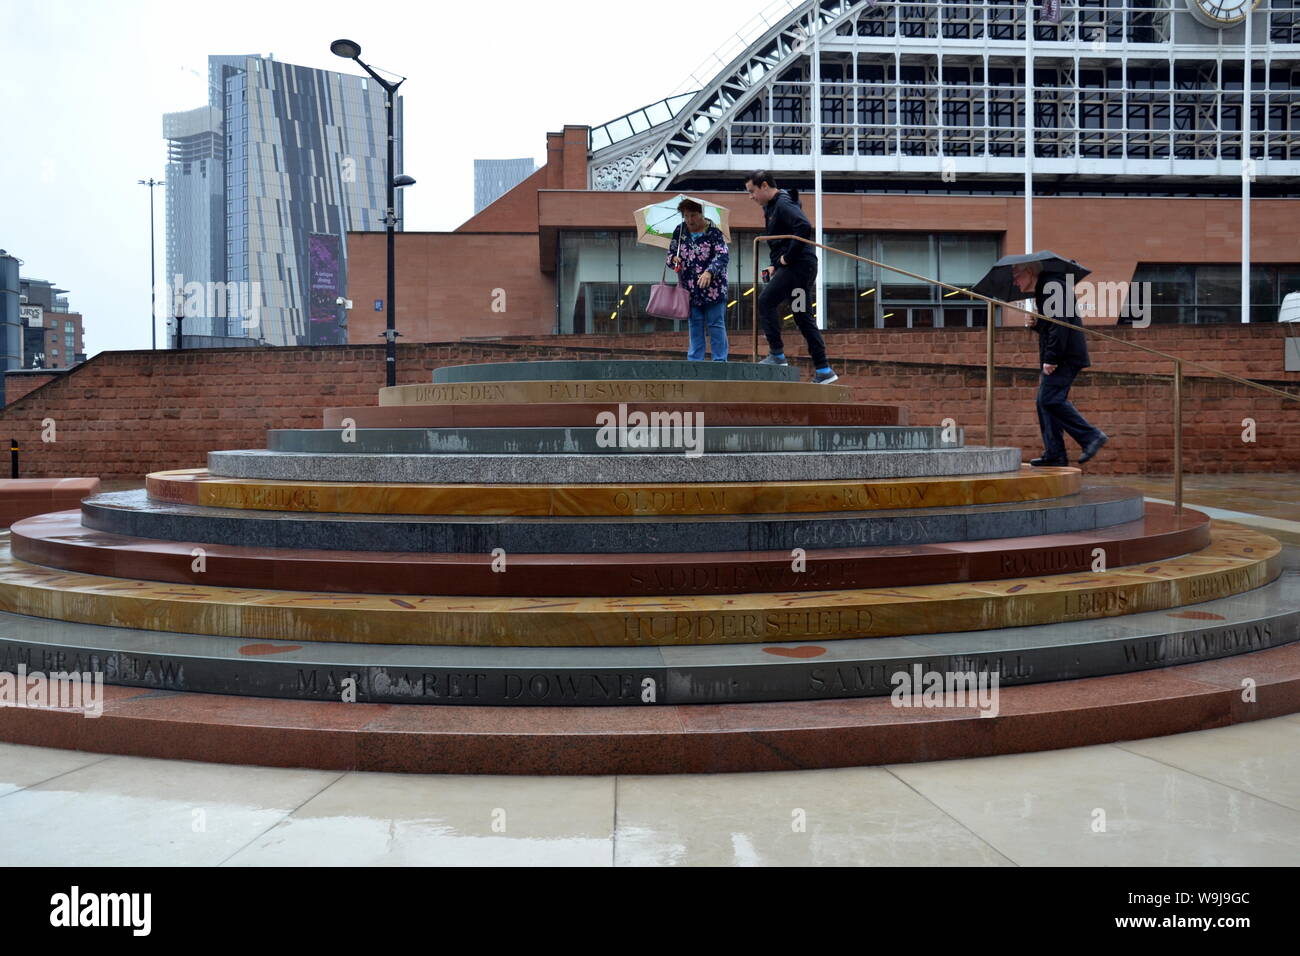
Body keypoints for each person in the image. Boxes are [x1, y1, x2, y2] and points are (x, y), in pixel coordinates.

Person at [744, 170, 838, 384]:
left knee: (766, 301)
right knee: (802, 315)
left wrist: (787, 258)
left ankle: (777, 355)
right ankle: (824, 369)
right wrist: (775, 265)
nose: (751, 197)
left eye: (752, 191)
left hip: (798, 267)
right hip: (800, 269)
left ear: (764, 186)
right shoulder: (771, 207)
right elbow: (779, 242)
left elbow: (803, 226)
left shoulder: (783, 203)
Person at [1013, 261, 1108, 466]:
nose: (1015, 282)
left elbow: (1060, 324)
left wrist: (1052, 358)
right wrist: (1037, 324)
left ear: (1029, 272)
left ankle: (1091, 436)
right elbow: (1054, 324)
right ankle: (1055, 454)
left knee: (1050, 399)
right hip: (1063, 355)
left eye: (1017, 276)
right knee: (1044, 402)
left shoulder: (1051, 286)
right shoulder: (1047, 287)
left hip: (1064, 357)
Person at [666, 199, 729, 361]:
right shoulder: (680, 231)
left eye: (693, 215)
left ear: (702, 214)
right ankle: (695, 362)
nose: (689, 220)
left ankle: (720, 361)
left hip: (714, 289)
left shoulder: (714, 232)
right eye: (686, 216)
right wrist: (674, 260)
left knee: (715, 324)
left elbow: (723, 255)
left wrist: (709, 272)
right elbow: (670, 255)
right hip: (690, 290)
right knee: (695, 325)